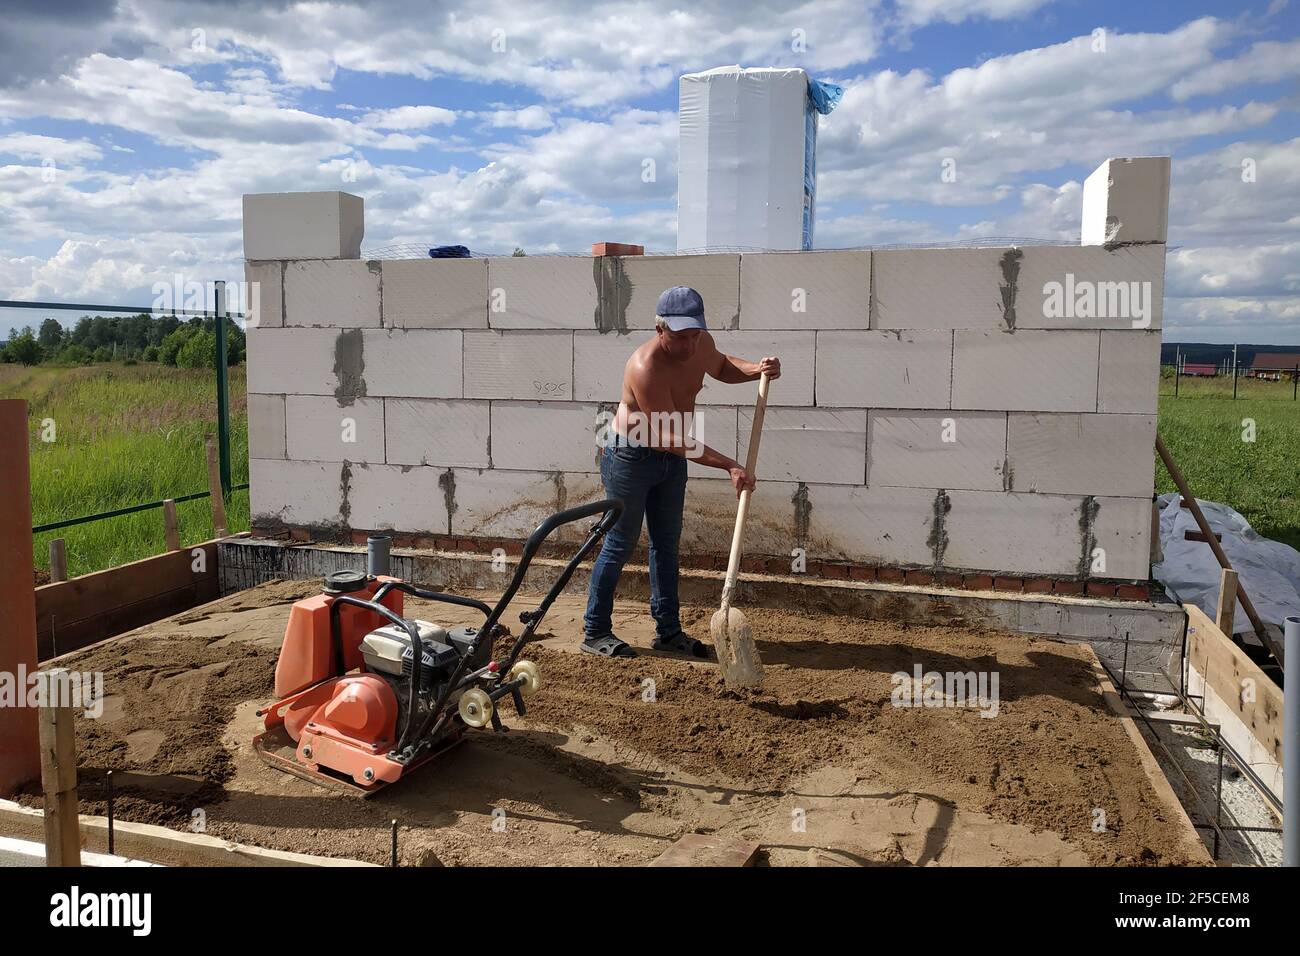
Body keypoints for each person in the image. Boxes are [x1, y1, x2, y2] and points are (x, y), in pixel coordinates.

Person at [581, 286, 781, 659]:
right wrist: (729, 464)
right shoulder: (645, 367)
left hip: (670, 458)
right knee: (620, 544)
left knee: (666, 545)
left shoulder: (699, 343)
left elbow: (720, 366)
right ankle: (595, 631)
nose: (690, 346)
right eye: (679, 337)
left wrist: (758, 369)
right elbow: (668, 437)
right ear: (660, 330)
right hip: (633, 454)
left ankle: (669, 632)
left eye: (695, 335)